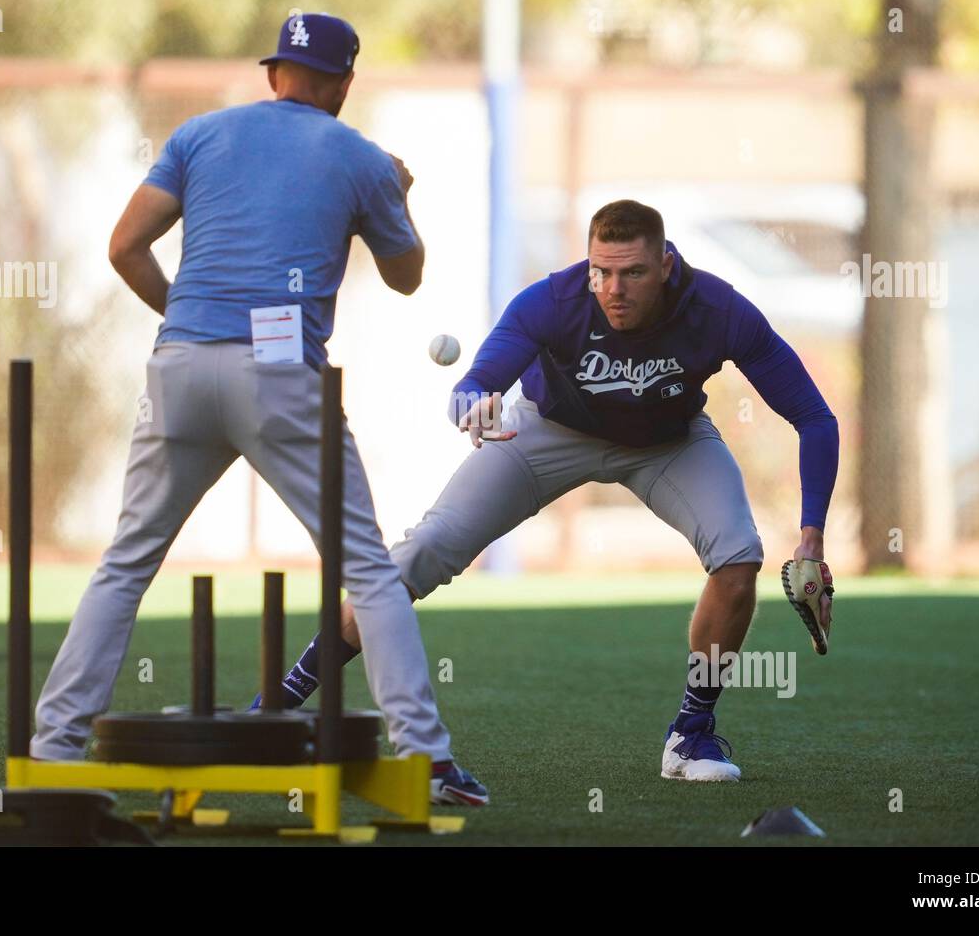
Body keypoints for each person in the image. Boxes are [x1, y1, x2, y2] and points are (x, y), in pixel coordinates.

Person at [30, 13, 487, 805]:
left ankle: (55, 746)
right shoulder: (361, 157)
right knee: (368, 573)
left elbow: (123, 246)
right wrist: (399, 195)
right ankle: (429, 762)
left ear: (274, 72)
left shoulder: (199, 134)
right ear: (343, 85)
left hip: (180, 366)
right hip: (279, 374)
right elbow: (406, 275)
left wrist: (190, 321)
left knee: (126, 564)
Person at [256, 199, 840, 783]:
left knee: (739, 559)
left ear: (665, 265)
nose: (614, 289)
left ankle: (690, 738)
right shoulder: (553, 300)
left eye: (632, 273)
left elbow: (814, 417)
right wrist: (475, 407)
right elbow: (474, 385)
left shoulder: (719, 310)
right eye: (601, 271)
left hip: (668, 440)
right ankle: (282, 702)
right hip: (546, 429)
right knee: (422, 551)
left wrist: (811, 533)